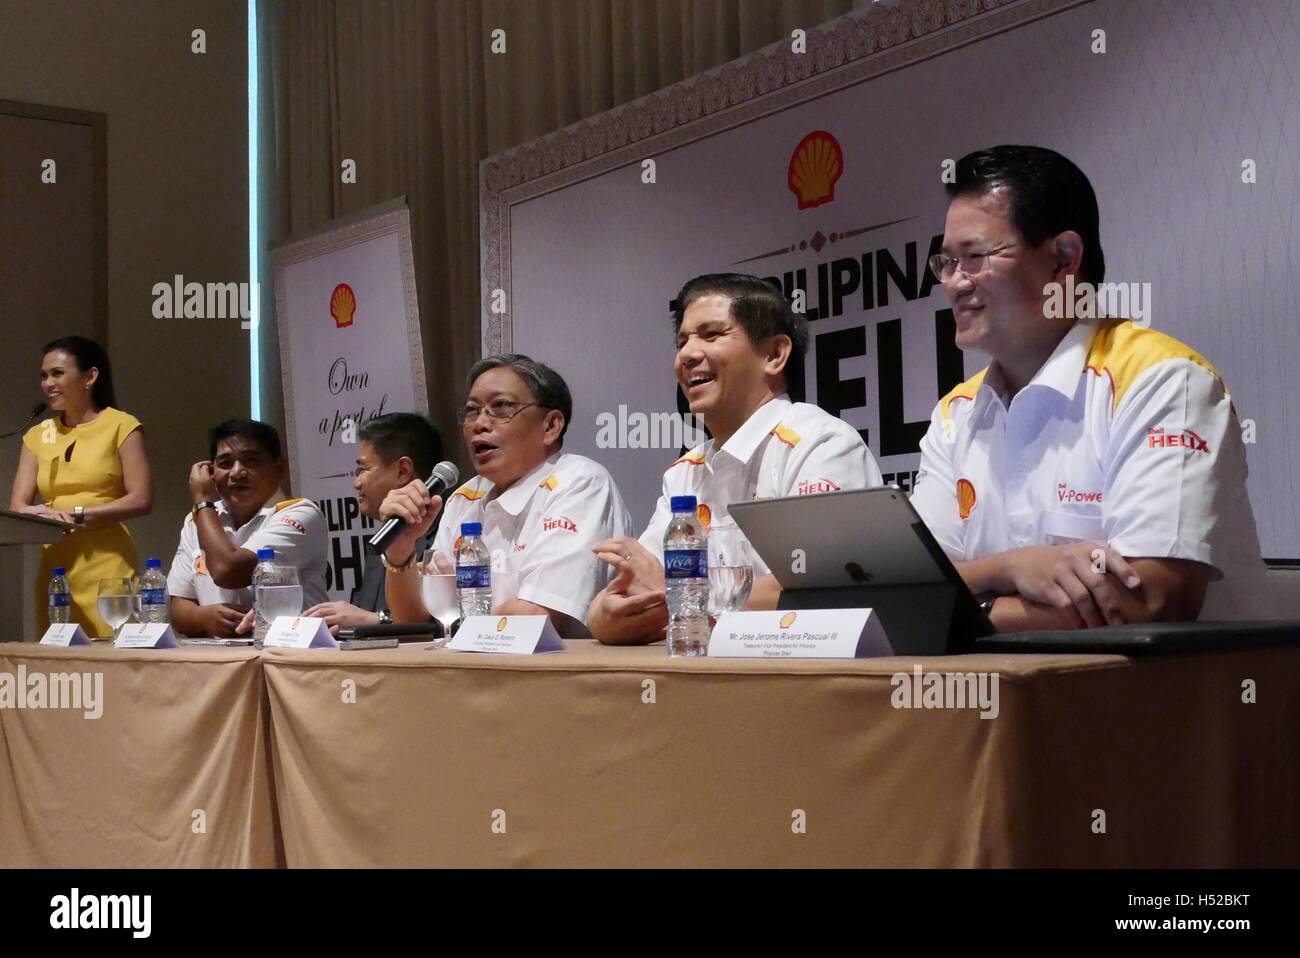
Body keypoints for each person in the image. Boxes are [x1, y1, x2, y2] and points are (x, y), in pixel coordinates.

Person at [911, 144, 1270, 631]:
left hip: (1168, 701)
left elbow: (1155, 599)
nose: (954, 283)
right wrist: (1009, 567)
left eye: (975, 257)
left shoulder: (1161, 378)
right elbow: (914, 585)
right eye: (946, 263)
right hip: (1009, 699)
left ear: (1063, 259)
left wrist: (958, 614)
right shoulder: (955, 413)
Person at [587, 273, 884, 645]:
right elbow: (624, 596)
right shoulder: (684, 474)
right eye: (682, 341)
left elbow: (818, 591)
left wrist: (682, 596)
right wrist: (607, 616)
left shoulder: (819, 444)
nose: (686, 355)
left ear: (774, 354)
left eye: (711, 335)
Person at [379, 354, 633, 636]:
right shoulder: (465, 498)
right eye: (472, 411)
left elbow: (537, 616)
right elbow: (414, 617)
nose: (480, 424)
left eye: (500, 407)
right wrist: (400, 551)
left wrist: (455, 619)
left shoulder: (579, 482)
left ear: (551, 426)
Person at [10, 336, 153, 637]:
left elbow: (141, 499)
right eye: (44, 375)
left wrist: (76, 513)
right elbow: (17, 507)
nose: (48, 383)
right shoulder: (37, 435)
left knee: (111, 662)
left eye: (57, 373)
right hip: (56, 566)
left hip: (107, 564)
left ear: (90, 376)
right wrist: (39, 514)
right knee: (58, 663)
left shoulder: (121, 425)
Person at [167, 418, 329, 637]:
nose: (237, 472)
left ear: (280, 467)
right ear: (210, 471)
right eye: (225, 463)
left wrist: (202, 501)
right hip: (219, 659)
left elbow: (229, 571)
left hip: (290, 653)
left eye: (250, 461)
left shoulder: (301, 513)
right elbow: (178, 606)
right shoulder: (197, 520)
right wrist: (204, 618)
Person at [302, 412, 443, 635]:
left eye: (363, 469)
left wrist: (376, 619)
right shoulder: (384, 539)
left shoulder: (445, 533)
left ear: (402, 471)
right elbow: (363, 619)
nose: (356, 483)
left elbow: (444, 625)